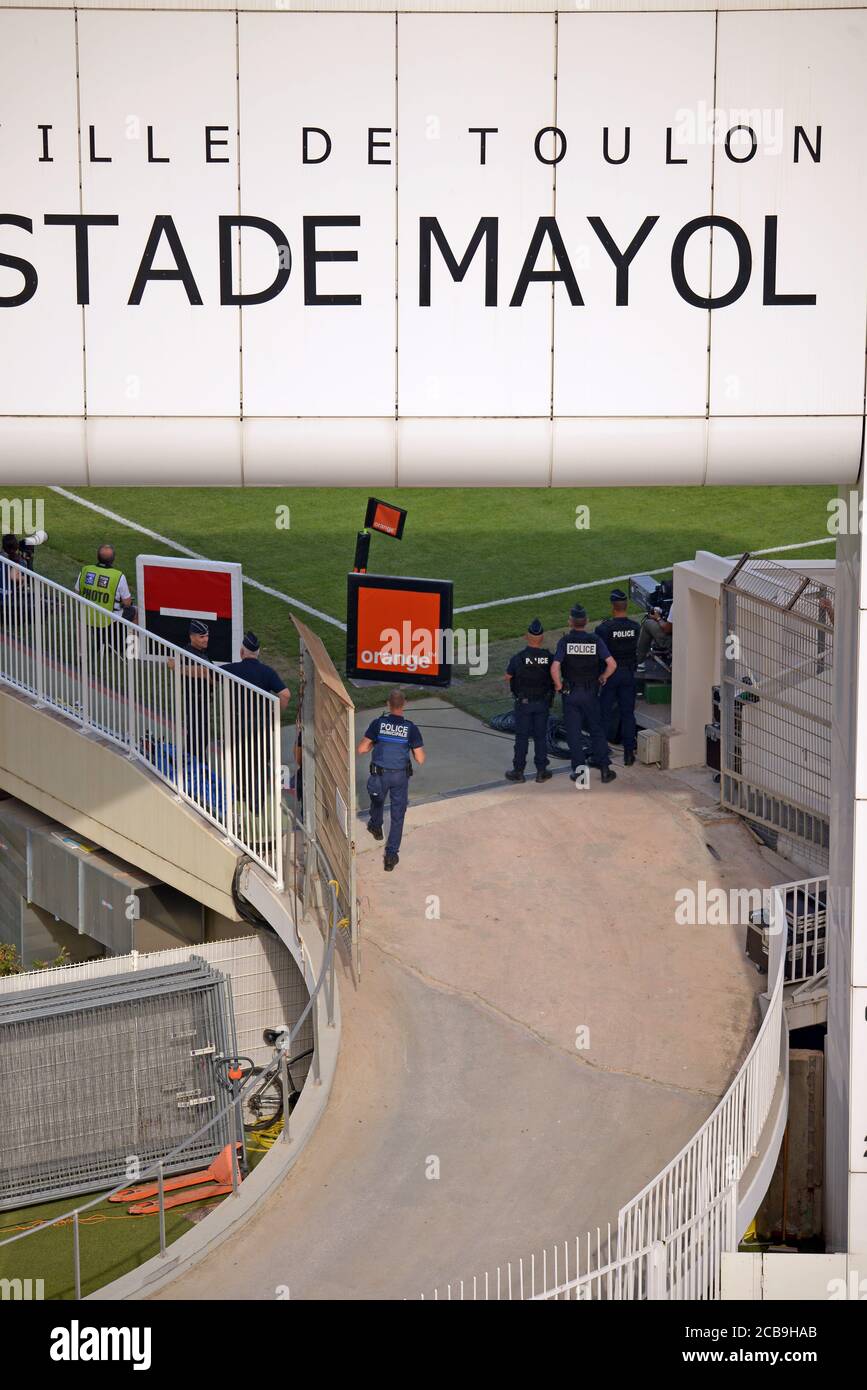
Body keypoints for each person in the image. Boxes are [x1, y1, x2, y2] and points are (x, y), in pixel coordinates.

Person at [221, 632, 291, 813]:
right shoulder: (267, 672)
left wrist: (178, 667)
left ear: (241, 652)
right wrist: (274, 717)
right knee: (260, 765)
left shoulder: (231, 669)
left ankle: (241, 798)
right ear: (258, 652)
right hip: (262, 727)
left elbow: (205, 672)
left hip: (239, 726)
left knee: (238, 762)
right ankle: (257, 806)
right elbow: (285, 694)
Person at [357, 689, 425, 871]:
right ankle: (391, 855)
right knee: (397, 815)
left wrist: (374, 743)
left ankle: (375, 826)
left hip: (379, 775)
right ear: (404, 705)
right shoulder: (411, 728)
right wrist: (409, 746)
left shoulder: (377, 724)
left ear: (388, 704)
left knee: (377, 799)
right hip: (400, 777)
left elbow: (362, 749)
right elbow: (420, 758)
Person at [551, 605, 617, 783]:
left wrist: (559, 686)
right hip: (590, 693)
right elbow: (612, 664)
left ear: (570, 622)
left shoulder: (565, 642)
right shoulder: (595, 640)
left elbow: (555, 667)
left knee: (573, 733)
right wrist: (603, 677)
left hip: (571, 692)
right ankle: (604, 769)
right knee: (596, 730)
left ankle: (580, 772)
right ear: (586, 622)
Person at [504, 618, 557, 783]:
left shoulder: (518, 658)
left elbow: (508, 677)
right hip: (542, 703)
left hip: (524, 704)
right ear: (541, 638)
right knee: (541, 736)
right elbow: (555, 677)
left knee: (522, 737)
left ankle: (518, 771)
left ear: (527, 636)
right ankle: (541, 771)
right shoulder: (548, 658)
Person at [596, 589, 642, 767]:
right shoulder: (635, 627)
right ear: (625, 606)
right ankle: (629, 754)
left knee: (604, 714)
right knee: (628, 714)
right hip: (628, 675)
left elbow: (600, 655)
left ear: (613, 607)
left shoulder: (603, 628)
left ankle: (602, 754)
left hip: (610, 675)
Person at [636, 601, 673, 669]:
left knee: (647, 623)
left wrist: (658, 618)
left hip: (674, 642)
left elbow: (667, 629)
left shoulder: (676, 604)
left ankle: (640, 663)